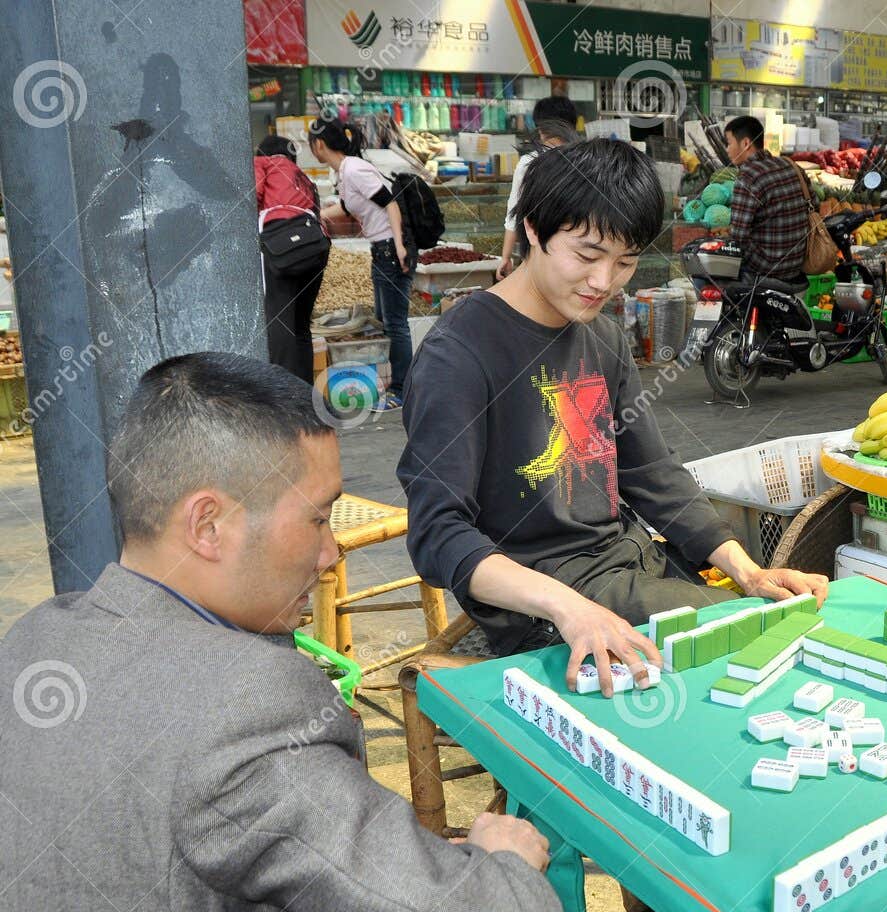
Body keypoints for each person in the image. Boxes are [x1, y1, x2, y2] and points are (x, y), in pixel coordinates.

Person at [0, 352, 672, 912]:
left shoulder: (34, 642)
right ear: (208, 526)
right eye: (317, 519)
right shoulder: (244, 705)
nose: (331, 555)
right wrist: (504, 862)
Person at [399, 139, 827, 675]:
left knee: (772, 616)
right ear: (533, 229)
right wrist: (567, 607)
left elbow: (651, 471)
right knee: (759, 639)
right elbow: (439, 532)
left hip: (628, 564)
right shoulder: (459, 354)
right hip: (541, 602)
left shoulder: (602, 335)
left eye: (625, 262)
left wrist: (746, 570)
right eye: (586, 255)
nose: (603, 282)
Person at [309, 117, 412, 411]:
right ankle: (396, 384)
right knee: (384, 318)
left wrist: (400, 246)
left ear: (318, 145)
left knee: (395, 323)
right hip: (381, 248)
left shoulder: (353, 169)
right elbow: (346, 207)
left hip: (392, 248)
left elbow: (389, 203)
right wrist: (315, 215)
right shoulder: (345, 172)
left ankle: (404, 391)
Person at [254, 134, 328, 383]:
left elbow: (252, 197)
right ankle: (306, 395)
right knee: (301, 325)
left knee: (279, 319)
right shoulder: (305, 179)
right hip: (317, 249)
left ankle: (283, 396)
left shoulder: (263, 164)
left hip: (282, 247)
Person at [498, 96, 583, 280]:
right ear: (573, 125)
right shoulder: (588, 160)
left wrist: (505, 257)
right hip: (579, 251)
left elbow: (515, 211)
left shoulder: (529, 163)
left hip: (538, 251)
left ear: (540, 129)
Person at [723, 115, 812, 284]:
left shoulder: (748, 176)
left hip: (765, 268)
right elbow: (813, 206)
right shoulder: (790, 165)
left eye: (729, 143)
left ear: (746, 143)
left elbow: (739, 237)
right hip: (797, 264)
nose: (727, 149)